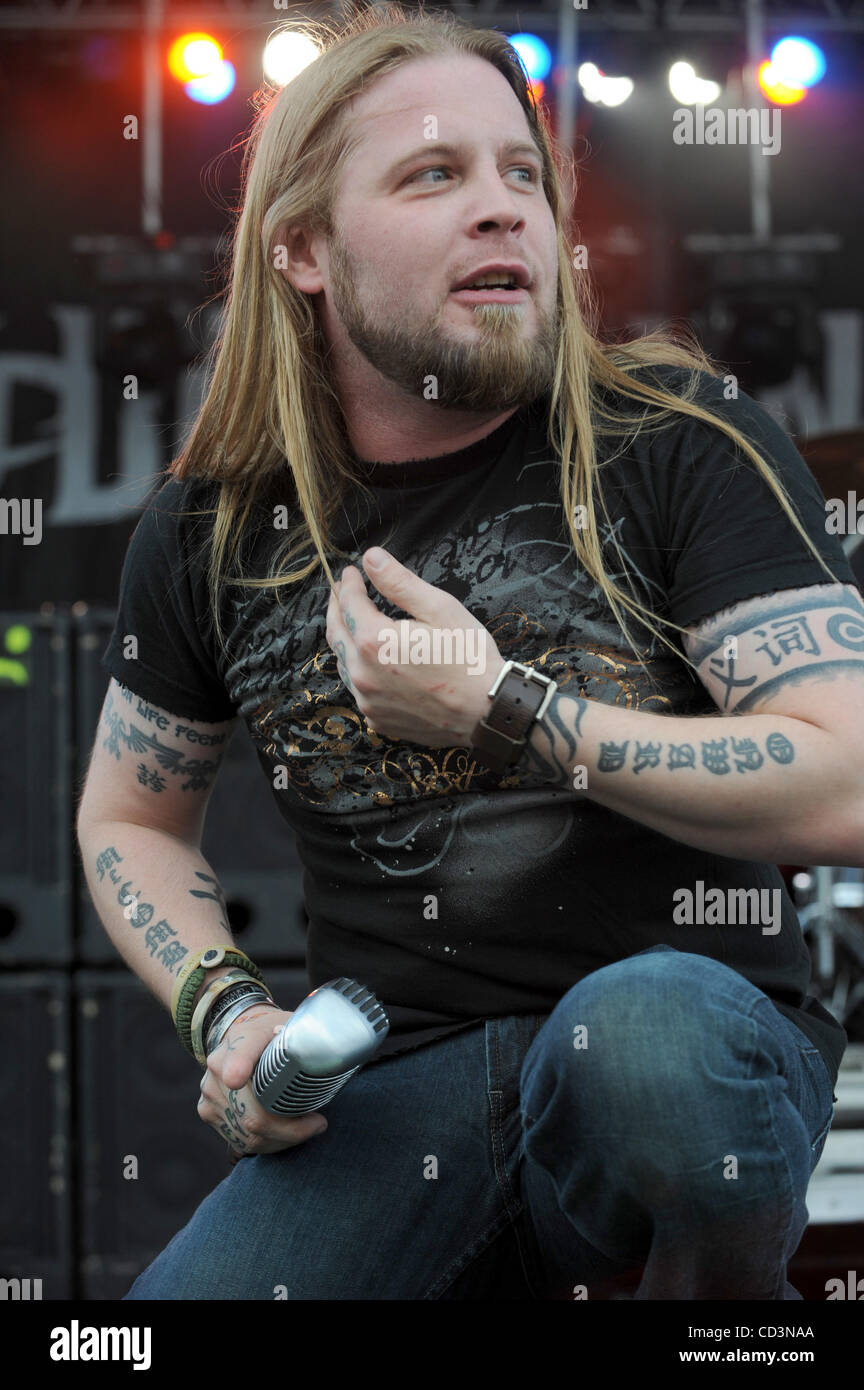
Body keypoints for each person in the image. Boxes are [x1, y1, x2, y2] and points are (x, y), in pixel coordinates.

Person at [76, 5, 864, 1300]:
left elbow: (849, 781)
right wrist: (224, 1008)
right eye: (434, 175)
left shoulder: (674, 440)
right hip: (400, 1086)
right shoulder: (217, 526)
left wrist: (507, 705)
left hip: (685, 1042)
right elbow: (129, 813)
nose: (504, 211)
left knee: (649, 1043)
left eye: (521, 176)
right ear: (305, 251)